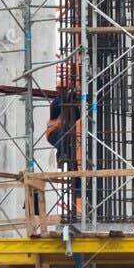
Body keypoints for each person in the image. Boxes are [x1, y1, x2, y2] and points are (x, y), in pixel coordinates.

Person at [44, 87, 83, 217]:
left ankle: (77, 185)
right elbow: (55, 109)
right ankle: (60, 156)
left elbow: (78, 117)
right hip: (53, 133)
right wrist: (65, 98)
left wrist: (76, 103)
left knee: (75, 159)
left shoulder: (75, 107)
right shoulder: (56, 103)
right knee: (63, 138)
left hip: (69, 137)